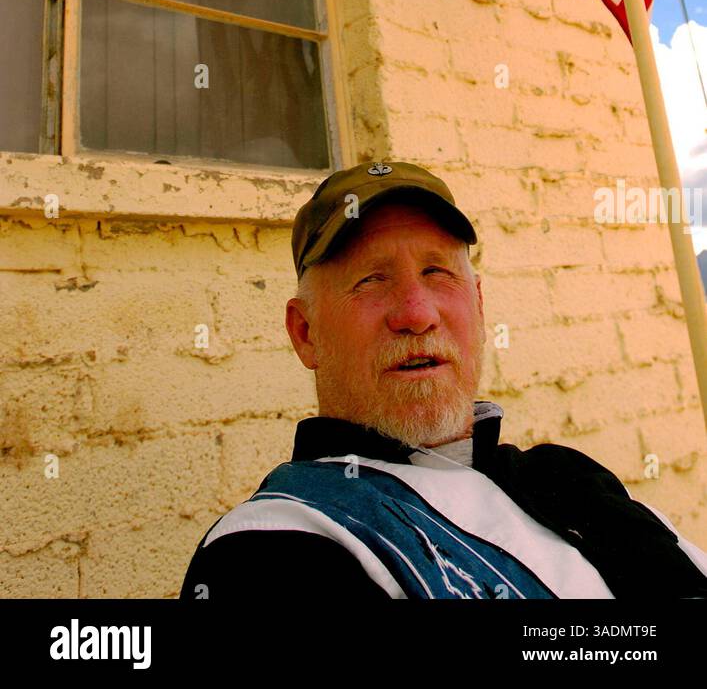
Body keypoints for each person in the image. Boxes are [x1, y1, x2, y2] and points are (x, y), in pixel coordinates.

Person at [180, 159, 707, 600]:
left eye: (438, 273)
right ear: (305, 333)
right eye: (370, 280)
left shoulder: (566, 478)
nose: (416, 313)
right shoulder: (277, 544)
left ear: (478, 306)